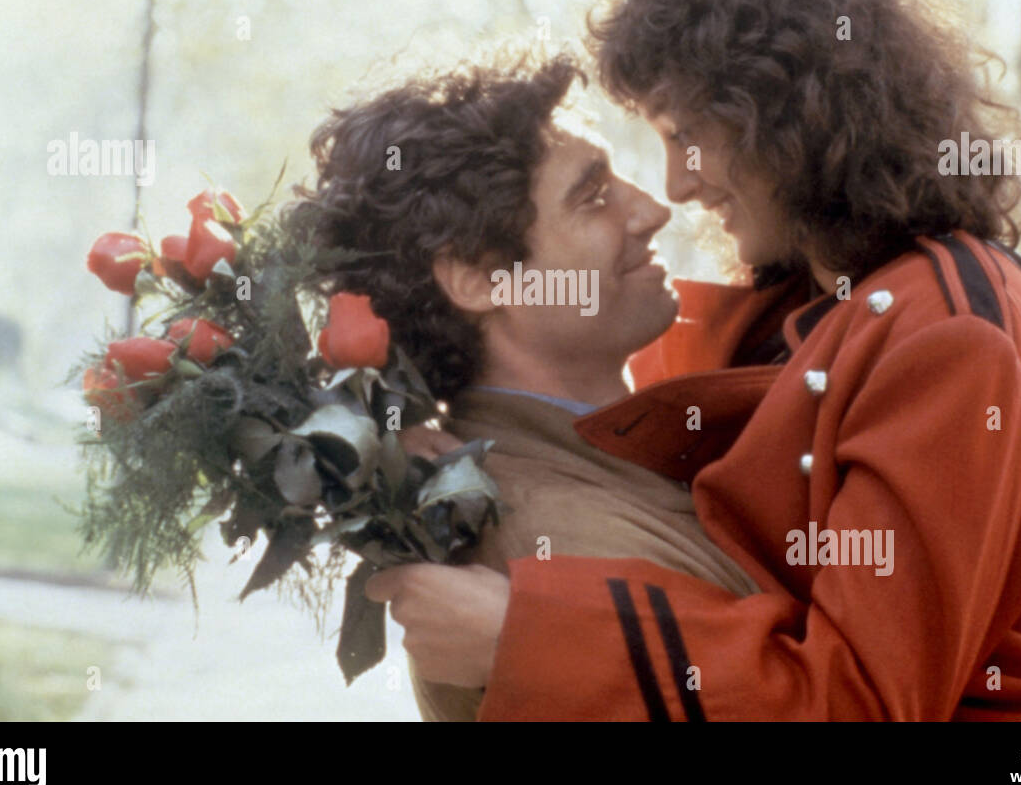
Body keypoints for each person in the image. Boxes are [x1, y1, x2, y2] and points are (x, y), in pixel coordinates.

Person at [366, 0, 1021, 720]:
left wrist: (528, 638)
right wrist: (432, 447)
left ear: (779, 110)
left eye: (686, 134)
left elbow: (855, 701)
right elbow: (599, 421)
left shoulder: (945, 329)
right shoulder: (801, 304)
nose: (675, 187)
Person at [291, 52, 785, 720]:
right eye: (594, 196)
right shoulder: (543, 548)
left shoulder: (591, 460)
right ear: (475, 277)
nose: (651, 209)